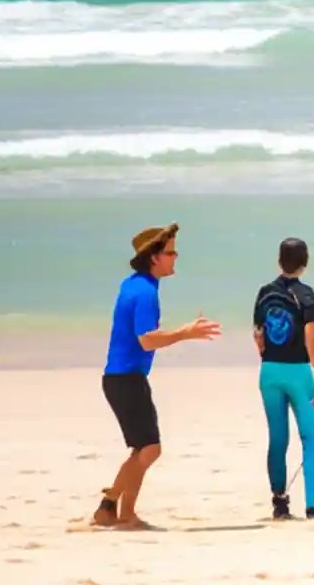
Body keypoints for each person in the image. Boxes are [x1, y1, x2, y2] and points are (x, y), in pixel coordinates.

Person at [92, 223, 221, 529]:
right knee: (150, 448)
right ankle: (116, 509)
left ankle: (117, 510)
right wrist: (186, 333)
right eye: (171, 252)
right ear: (154, 258)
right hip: (125, 379)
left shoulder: (133, 284)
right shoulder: (145, 292)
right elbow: (147, 339)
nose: (175, 257)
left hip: (122, 378)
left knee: (143, 448)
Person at [252, 237, 314, 520]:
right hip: (299, 371)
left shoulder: (264, 292)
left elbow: (258, 334)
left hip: (269, 371)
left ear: (279, 261)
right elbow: (311, 336)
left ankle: (279, 503)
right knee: (310, 437)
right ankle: (313, 505)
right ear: (305, 263)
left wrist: (267, 354)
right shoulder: (308, 295)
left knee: (278, 439)